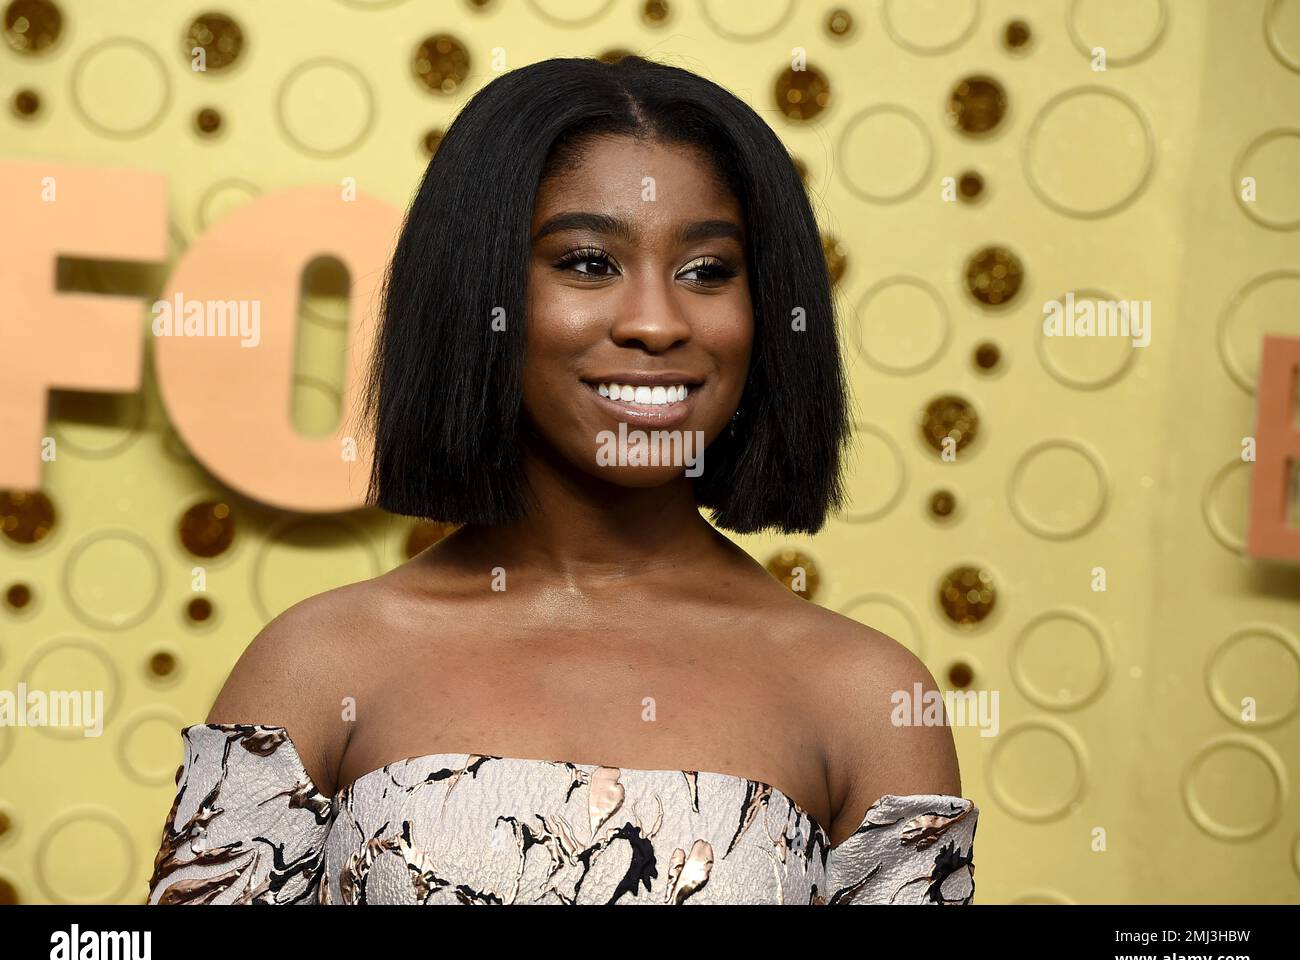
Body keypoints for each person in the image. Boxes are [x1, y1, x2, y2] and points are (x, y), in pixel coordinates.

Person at [147, 55, 977, 905]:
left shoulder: (867, 696)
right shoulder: (319, 664)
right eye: (587, 262)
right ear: (479, 293)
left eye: (707, 271)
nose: (656, 322)